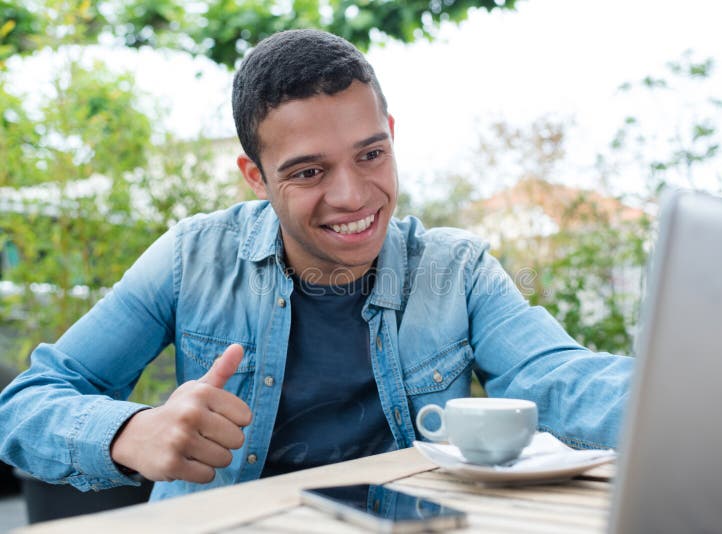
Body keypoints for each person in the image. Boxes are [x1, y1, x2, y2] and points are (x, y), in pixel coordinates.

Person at [0, 29, 633, 501]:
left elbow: (560, 378)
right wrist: (130, 432)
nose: (352, 196)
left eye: (370, 155)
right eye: (308, 172)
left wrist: (682, 401)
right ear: (256, 176)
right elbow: (25, 404)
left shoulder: (457, 270)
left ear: (390, 134)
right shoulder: (191, 258)